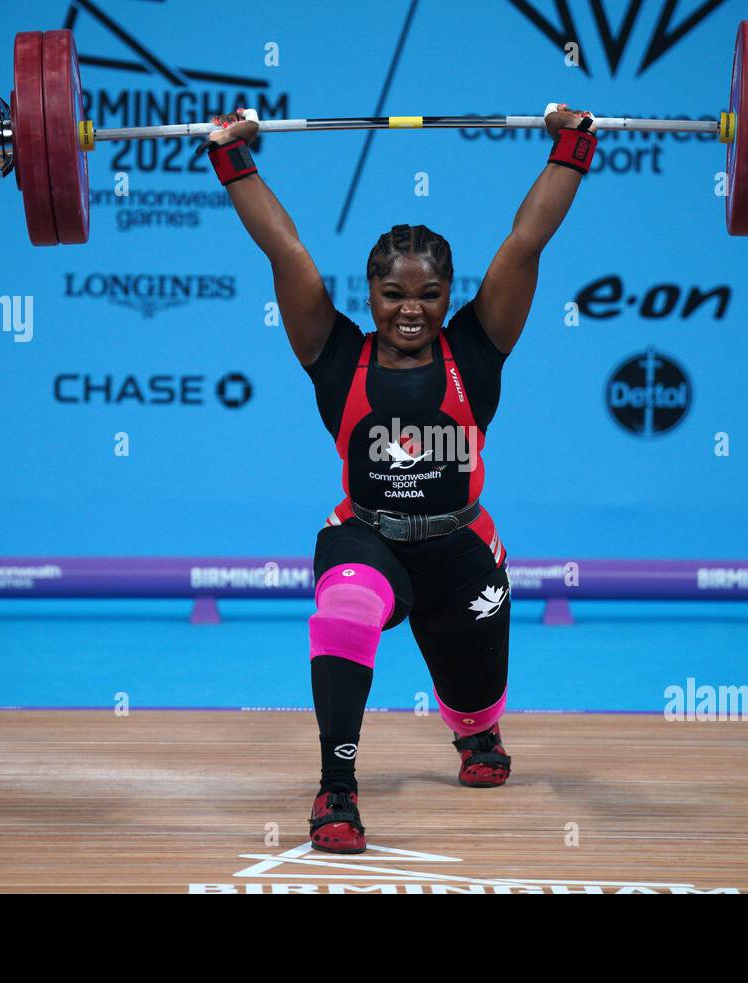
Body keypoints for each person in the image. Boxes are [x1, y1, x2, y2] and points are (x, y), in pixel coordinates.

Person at [203, 103, 598, 852]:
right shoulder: (333, 351)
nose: (410, 310)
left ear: (449, 296)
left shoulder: (476, 350)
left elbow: (527, 240)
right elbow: (286, 252)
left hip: (461, 547)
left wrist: (572, 149)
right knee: (343, 612)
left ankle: (476, 734)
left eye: (427, 295)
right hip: (366, 535)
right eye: (393, 295)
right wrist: (233, 158)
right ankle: (337, 791)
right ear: (370, 294)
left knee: (474, 699)